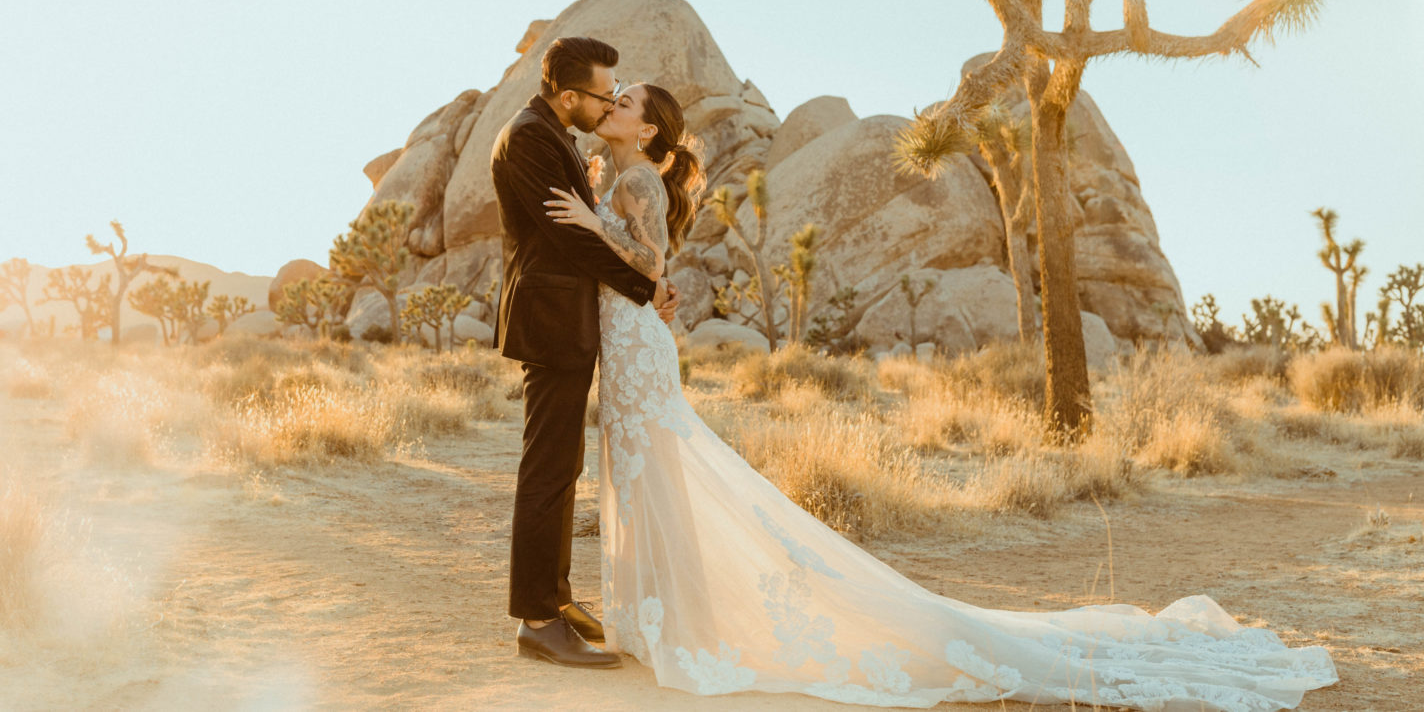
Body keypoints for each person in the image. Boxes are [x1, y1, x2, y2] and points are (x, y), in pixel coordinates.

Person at [544, 81, 1340, 709]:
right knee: (638, 478)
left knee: (663, 477)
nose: (612, 106)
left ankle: (679, 624)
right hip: (630, 343)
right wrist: (594, 208)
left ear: (648, 130)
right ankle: (657, 620)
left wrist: (588, 220)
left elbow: (647, 264)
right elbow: (651, 273)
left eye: (624, 102)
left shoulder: (639, 179)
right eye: (612, 99)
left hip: (639, 352)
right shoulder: (621, 171)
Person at [490, 36, 680, 670]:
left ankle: (557, 600)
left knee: (562, 466)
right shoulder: (531, 138)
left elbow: (608, 232)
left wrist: (649, 281)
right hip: (552, 321)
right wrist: (646, 287)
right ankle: (538, 621)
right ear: (568, 95)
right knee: (548, 469)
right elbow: (569, 238)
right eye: (603, 95)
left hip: (572, 319)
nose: (608, 106)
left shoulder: (556, 134)